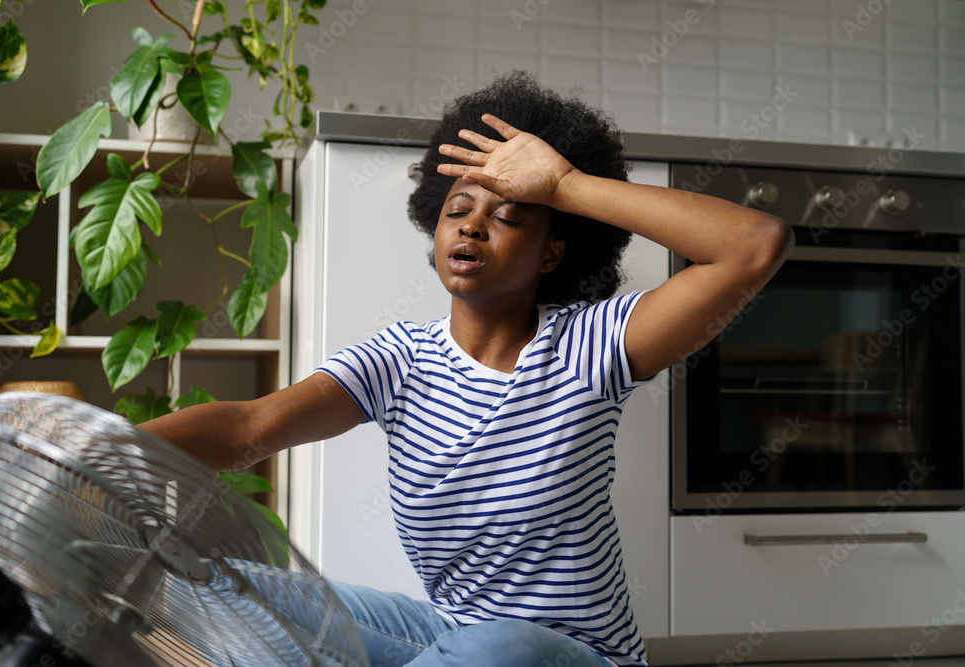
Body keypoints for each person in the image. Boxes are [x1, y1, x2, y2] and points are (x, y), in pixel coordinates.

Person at [141, 71, 793, 666]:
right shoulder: (400, 358)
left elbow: (755, 246)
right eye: (457, 211)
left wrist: (565, 185)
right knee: (215, 587)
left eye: (507, 216)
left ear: (551, 255)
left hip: (567, 656)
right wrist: (84, 449)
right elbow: (246, 423)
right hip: (449, 637)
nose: (473, 227)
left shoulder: (593, 345)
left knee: (497, 643)